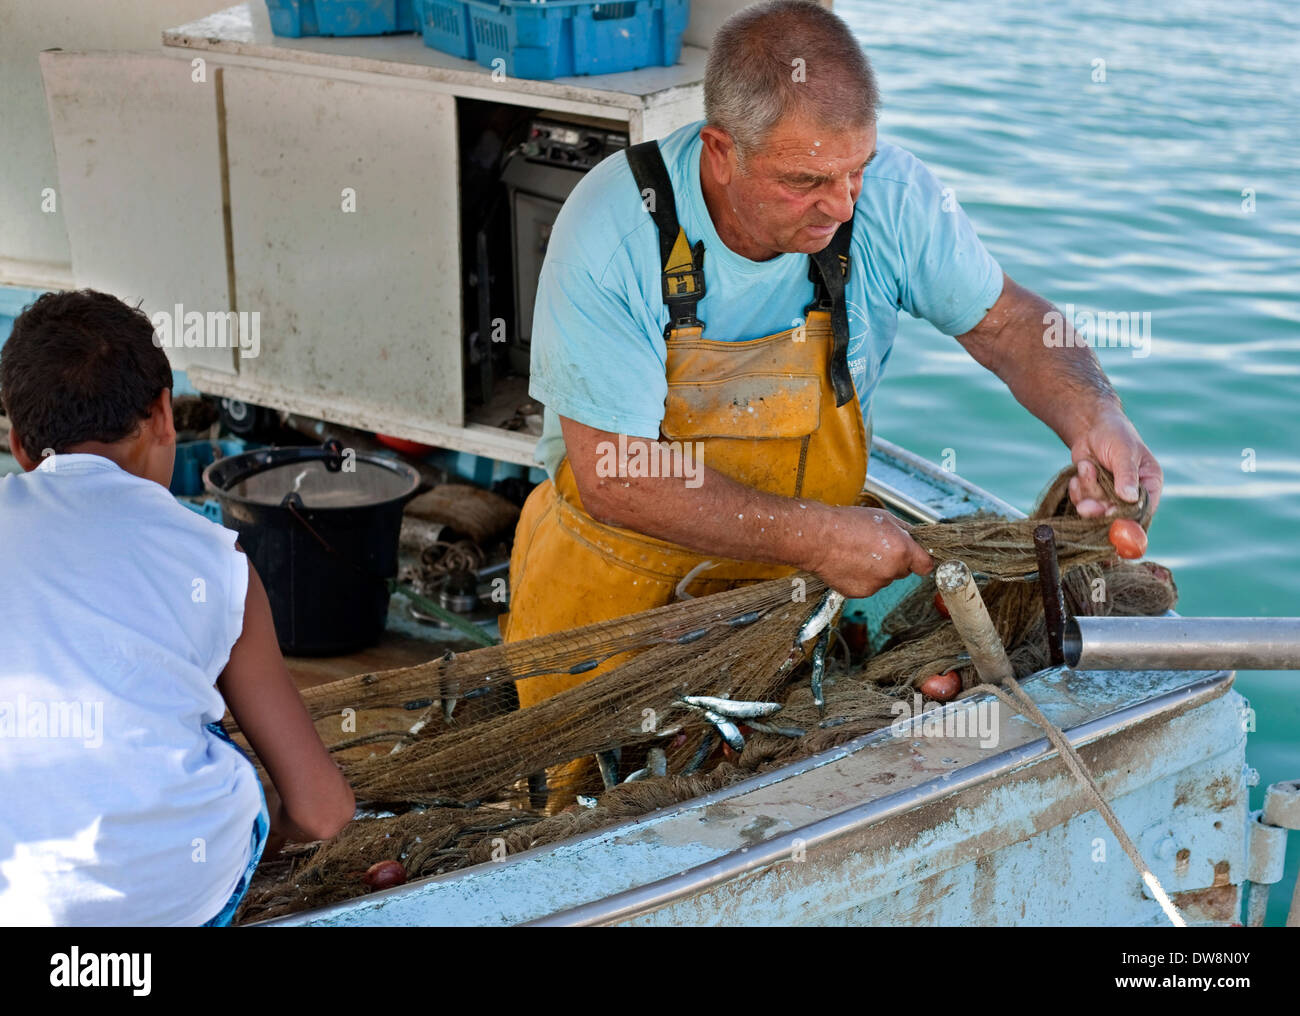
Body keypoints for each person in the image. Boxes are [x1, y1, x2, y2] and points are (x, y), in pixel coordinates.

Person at [503, 0, 1164, 718]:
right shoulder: (612, 229)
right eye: (806, 183)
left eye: (857, 170)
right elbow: (616, 473)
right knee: (579, 801)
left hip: (793, 605)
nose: (842, 207)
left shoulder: (889, 198)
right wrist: (818, 534)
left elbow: (1005, 322)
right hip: (612, 594)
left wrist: (1094, 411)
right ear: (722, 152)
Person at [0, 289, 354, 926]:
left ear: (21, 446)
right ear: (164, 415)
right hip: (174, 900)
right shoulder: (215, 563)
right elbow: (322, 811)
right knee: (214, 743)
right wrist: (266, 860)